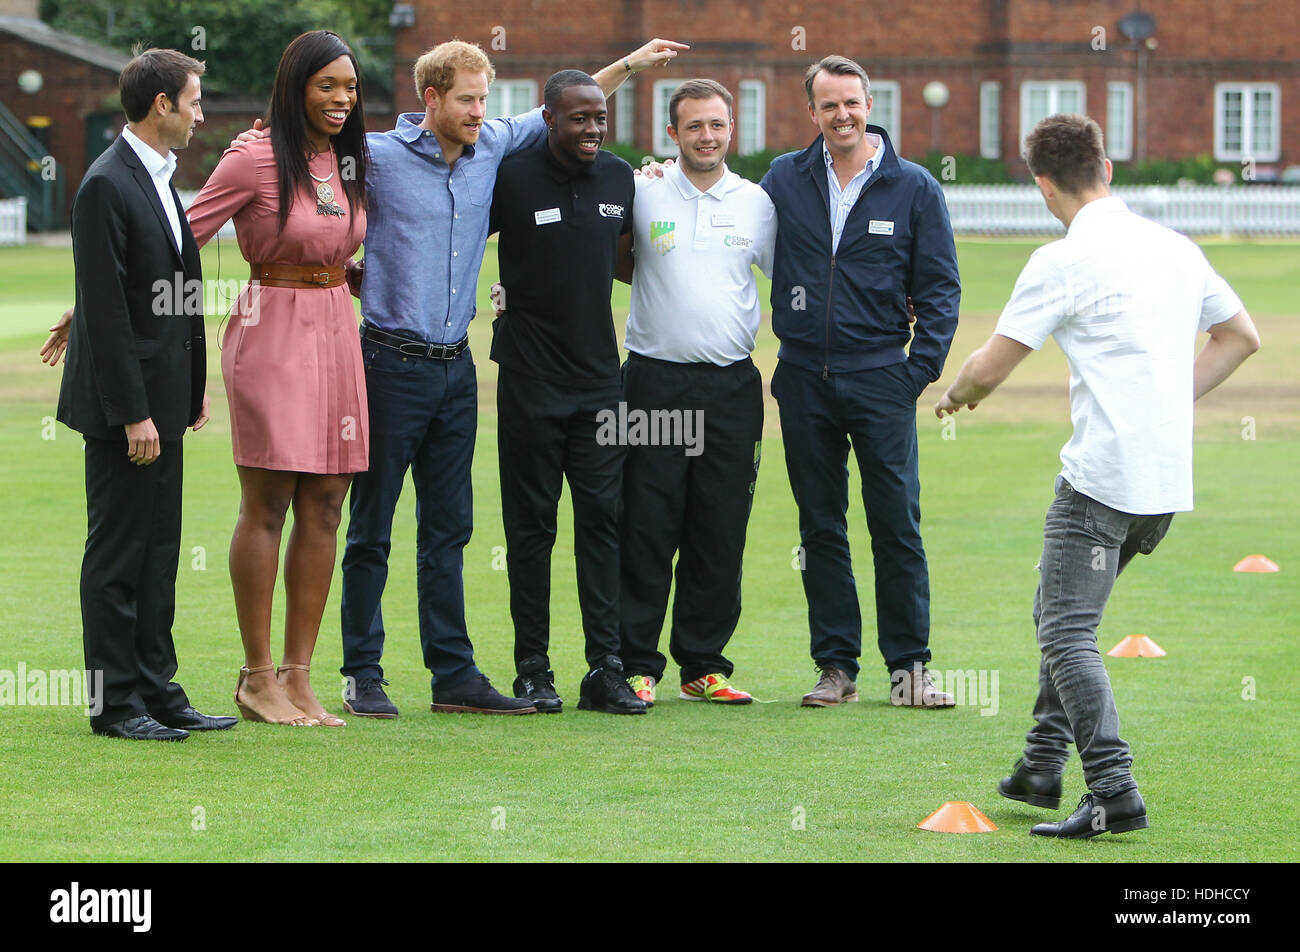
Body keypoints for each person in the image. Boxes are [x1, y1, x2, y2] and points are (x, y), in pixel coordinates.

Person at [334, 40, 685, 717]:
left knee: (449, 530)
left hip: (459, 370)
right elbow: (313, 182)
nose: (478, 112)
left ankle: (456, 677)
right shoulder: (381, 157)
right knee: (372, 525)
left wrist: (634, 65)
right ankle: (364, 672)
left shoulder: (497, 148)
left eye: (484, 101)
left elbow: (577, 99)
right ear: (430, 99)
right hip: (391, 363)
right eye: (466, 99)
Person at [936, 113, 1259, 837]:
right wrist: (1168, 401)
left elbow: (991, 365)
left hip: (1101, 480)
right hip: (1164, 483)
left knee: (1067, 631)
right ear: (1106, 167)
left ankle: (1114, 790)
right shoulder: (1174, 246)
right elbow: (1241, 337)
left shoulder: (1061, 260)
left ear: (1042, 185)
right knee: (1059, 615)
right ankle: (1041, 765)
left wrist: (956, 396)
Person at [183, 30, 373, 727]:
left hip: (334, 332)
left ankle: (299, 677)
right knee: (268, 503)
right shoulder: (253, 156)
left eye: (349, 87)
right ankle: (255, 676)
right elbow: (177, 235)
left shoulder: (348, 161)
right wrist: (97, 303)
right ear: (296, 87)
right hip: (271, 333)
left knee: (326, 504)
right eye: (328, 85)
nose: (341, 99)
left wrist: (349, 272)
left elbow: (338, 244)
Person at [760, 55, 961, 708]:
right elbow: (732, 231)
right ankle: (835, 668)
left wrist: (917, 373)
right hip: (802, 381)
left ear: (869, 105)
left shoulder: (914, 188)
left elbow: (939, 289)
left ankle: (910, 671)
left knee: (896, 526)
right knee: (820, 528)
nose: (841, 115)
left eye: (851, 103)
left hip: (882, 380)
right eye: (828, 105)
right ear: (811, 112)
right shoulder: (784, 180)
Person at [52, 47, 235, 741]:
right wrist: (135, 413)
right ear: (162, 104)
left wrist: (190, 390)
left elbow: (172, 291)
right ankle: (115, 703)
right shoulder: (106, 182)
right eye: (193, 99)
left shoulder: (160, 178)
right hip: (124, 410)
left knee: (161, 550)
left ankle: (157, 688)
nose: (199, 112)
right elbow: (107, 309)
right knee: (118, 556)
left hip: (164, 401)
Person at [614, 79, 776, 706]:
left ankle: (703, 665)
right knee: (646, 524)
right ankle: (637, 663)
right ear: (673, 133)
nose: (706, 137)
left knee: (720, 525)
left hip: (732, 388)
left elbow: (796, 274)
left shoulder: (758, 203)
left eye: (716, 125)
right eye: (693, 127)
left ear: (730, 127)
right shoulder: (643, 191)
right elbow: (617, 259)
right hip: (653, 382)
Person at [489, 70, 644, 714]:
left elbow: (632, 259)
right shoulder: (513, 175)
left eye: (599, 119)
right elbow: (457, 234)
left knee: (604, 522)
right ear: (548, 118)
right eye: (578, 119)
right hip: (528, 379)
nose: (591, 131)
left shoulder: (619, 177)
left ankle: (605, 671)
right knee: (531, 528)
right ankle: (533, 670)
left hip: (601, 382)